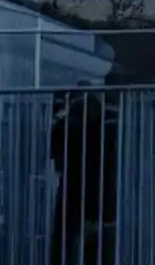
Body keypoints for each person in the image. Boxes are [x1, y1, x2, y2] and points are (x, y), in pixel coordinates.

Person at [50, 87, 120, 265]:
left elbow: (56, 157)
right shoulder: (106, 127)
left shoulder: (67, 124)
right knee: (99, 249)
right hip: (100, 199)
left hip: (73, 196)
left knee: (68, 246)